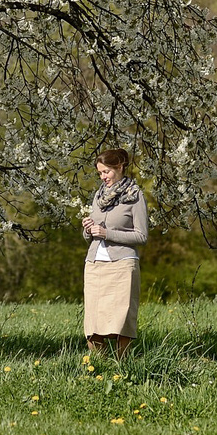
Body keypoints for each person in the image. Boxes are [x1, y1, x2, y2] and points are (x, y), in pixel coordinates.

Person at [81, 147, 147, 359]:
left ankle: (122, 365)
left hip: (122, 265)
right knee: (93, 321)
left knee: (121, 319)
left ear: (119, 167)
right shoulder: (98, 196)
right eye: (100, 173)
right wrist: (88, 229)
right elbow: (90, 236)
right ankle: (97, 367)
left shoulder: (135, 196)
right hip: (94, 264)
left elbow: (141, 236)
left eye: (106, 172)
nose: (103, 177)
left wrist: (107, 233)